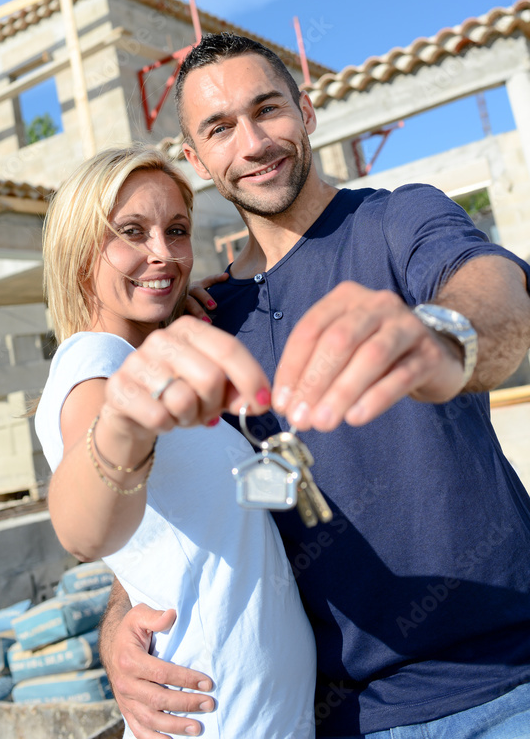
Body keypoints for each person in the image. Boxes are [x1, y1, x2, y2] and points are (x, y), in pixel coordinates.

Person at [99, 33, 530, 739]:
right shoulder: (206, 324)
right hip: (339, 718)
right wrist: (119, 619)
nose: (252, 142)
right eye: (219, 128)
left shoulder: (397, 221)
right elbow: (191, 504)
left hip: (509, 683)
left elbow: (497, 294)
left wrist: (440, 335)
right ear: (196, 157)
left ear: (305, 111)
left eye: (267, 110)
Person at [34, 144, 318, 739]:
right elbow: (87, 528)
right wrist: (125, 420)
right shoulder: (95, 363)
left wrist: (169, 328)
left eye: (177, 230)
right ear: (81, 248)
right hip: (216, 716)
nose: (162, 254)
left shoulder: (148, 356)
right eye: (131, 232)